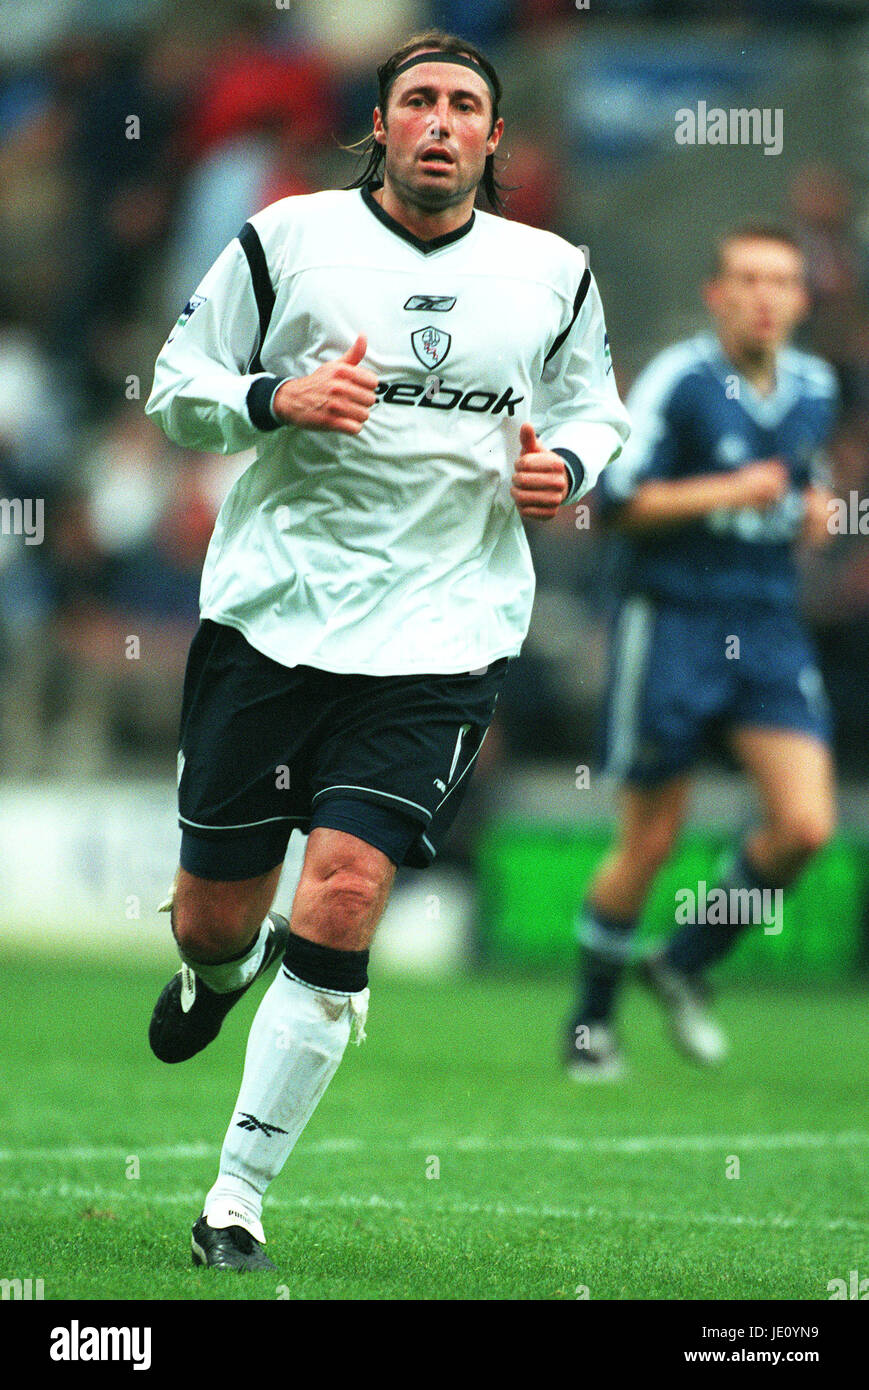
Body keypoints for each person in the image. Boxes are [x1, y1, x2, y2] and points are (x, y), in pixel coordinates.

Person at [145, 27, 630, 1269]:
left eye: (463, 104)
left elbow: (592, 409)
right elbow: (175, 381)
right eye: (416, 98)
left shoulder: (551, 271)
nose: (438, 121)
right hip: (272, 620)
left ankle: (236, 1195)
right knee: (210, 919)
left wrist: (563, 466)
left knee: (349, 888)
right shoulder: (288, 238)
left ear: (491, 136)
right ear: (379, 123)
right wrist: (270, 399)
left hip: (442, 632)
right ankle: (218, 967)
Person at [566, 225, 838, 1080]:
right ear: (716, 295)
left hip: (766, 626)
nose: (764, 296)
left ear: (800, 299)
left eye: (780, 282)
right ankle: (590, 1023)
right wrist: (730, 489)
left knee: (803, 825)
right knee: (650, 841)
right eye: (747, 280)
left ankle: (680, 962)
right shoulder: (678, 381)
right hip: (672, 622)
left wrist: (816, 503)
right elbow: (612, 500)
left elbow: (803, 470)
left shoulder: (815, 386)